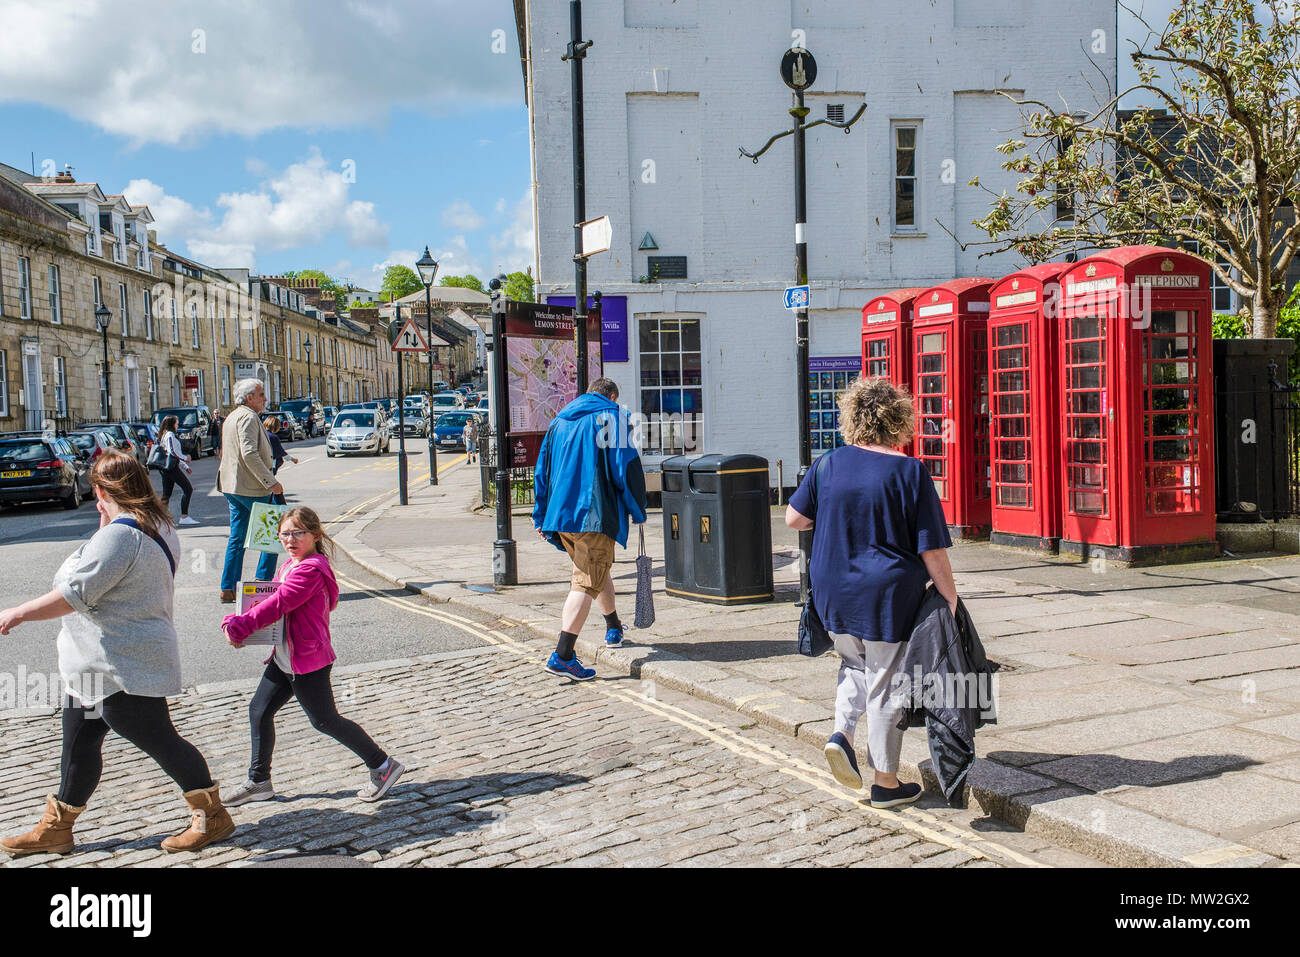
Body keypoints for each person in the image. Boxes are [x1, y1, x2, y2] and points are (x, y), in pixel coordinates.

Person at [0, 451, 235, 856]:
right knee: (79, 743)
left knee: (161, 740)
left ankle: (212, 817)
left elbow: (74, 594)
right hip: (95, 665)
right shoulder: (155, 525)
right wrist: (104, 523)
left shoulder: (120, 536)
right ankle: (57, 829)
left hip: (122, 664)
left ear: (101, 490)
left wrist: (17, 613)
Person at [785, 376, 958, 810]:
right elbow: (931, 547)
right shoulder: (909, 470)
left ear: (853, 419)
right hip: (885, 593)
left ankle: (841, 734)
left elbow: (793, 519)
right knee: (886, 680)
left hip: (831, 589)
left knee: (853, 664)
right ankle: (885, 781)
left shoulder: (829, 464)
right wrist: (950, 599)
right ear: (898, 420)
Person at [221, 506, 405, 805]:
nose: (290, 540)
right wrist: (241, 621)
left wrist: (239, 627)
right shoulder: (291, 565)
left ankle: (383, 766)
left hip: (307, 660)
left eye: (298, 533)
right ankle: (259, 781)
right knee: (259, 710)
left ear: (315, 535)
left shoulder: (310, 569)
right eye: (285, 534)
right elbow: (271, 604)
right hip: (284, 658)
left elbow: (279, 603)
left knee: (325, 720)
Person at [533, 377, 647, 681]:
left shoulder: (559, 420)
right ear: (611, 396)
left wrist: (540, 514)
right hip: (592, 515)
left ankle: (613, 628)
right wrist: (638, 508)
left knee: (596, 570)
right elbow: (626, 466)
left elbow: (541, 470)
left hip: (562, 517)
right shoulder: (612, 417)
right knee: (585, 582)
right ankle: (563, 655)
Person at [217, 379, 282, 604]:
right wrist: (271, 481)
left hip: (233, 486)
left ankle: (228, 589)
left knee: (237, 537)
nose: (265, 398)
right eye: (261, 394)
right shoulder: (249, 417)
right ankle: (262, 584)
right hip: (252, 488)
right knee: (272, 536)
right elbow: (249, 453)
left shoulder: (231, 417)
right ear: (249, 398)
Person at [155, 414, 198, 527]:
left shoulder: (167, 435)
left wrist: (185, 466)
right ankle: (184, 517)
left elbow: (172, 455)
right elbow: (173, 452)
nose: (178, 425)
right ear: (171, 424)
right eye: (176, 423)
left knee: (167, 494)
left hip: (168, 468)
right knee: (188, 489)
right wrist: (185, 458)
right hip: (171, 468)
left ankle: (161, 519)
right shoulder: (169, 435)